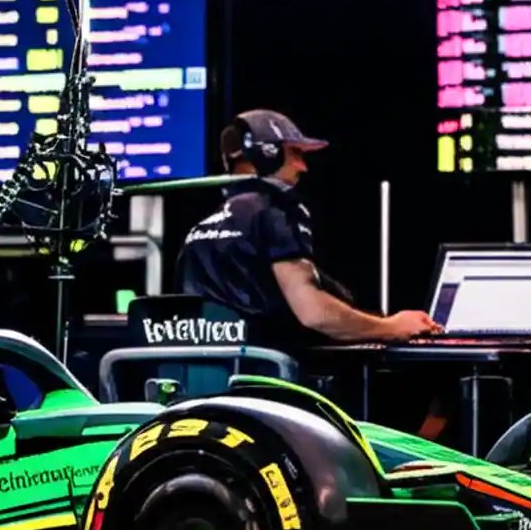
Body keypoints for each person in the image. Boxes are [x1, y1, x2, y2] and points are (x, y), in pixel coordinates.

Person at [176, 109, 442, 354]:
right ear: (268, 153)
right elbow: (314, 314)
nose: (303, 168)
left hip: (198, 381)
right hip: (265, 379)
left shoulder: (199, 229)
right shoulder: (275, 210)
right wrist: (391, 327)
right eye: (296, 154)